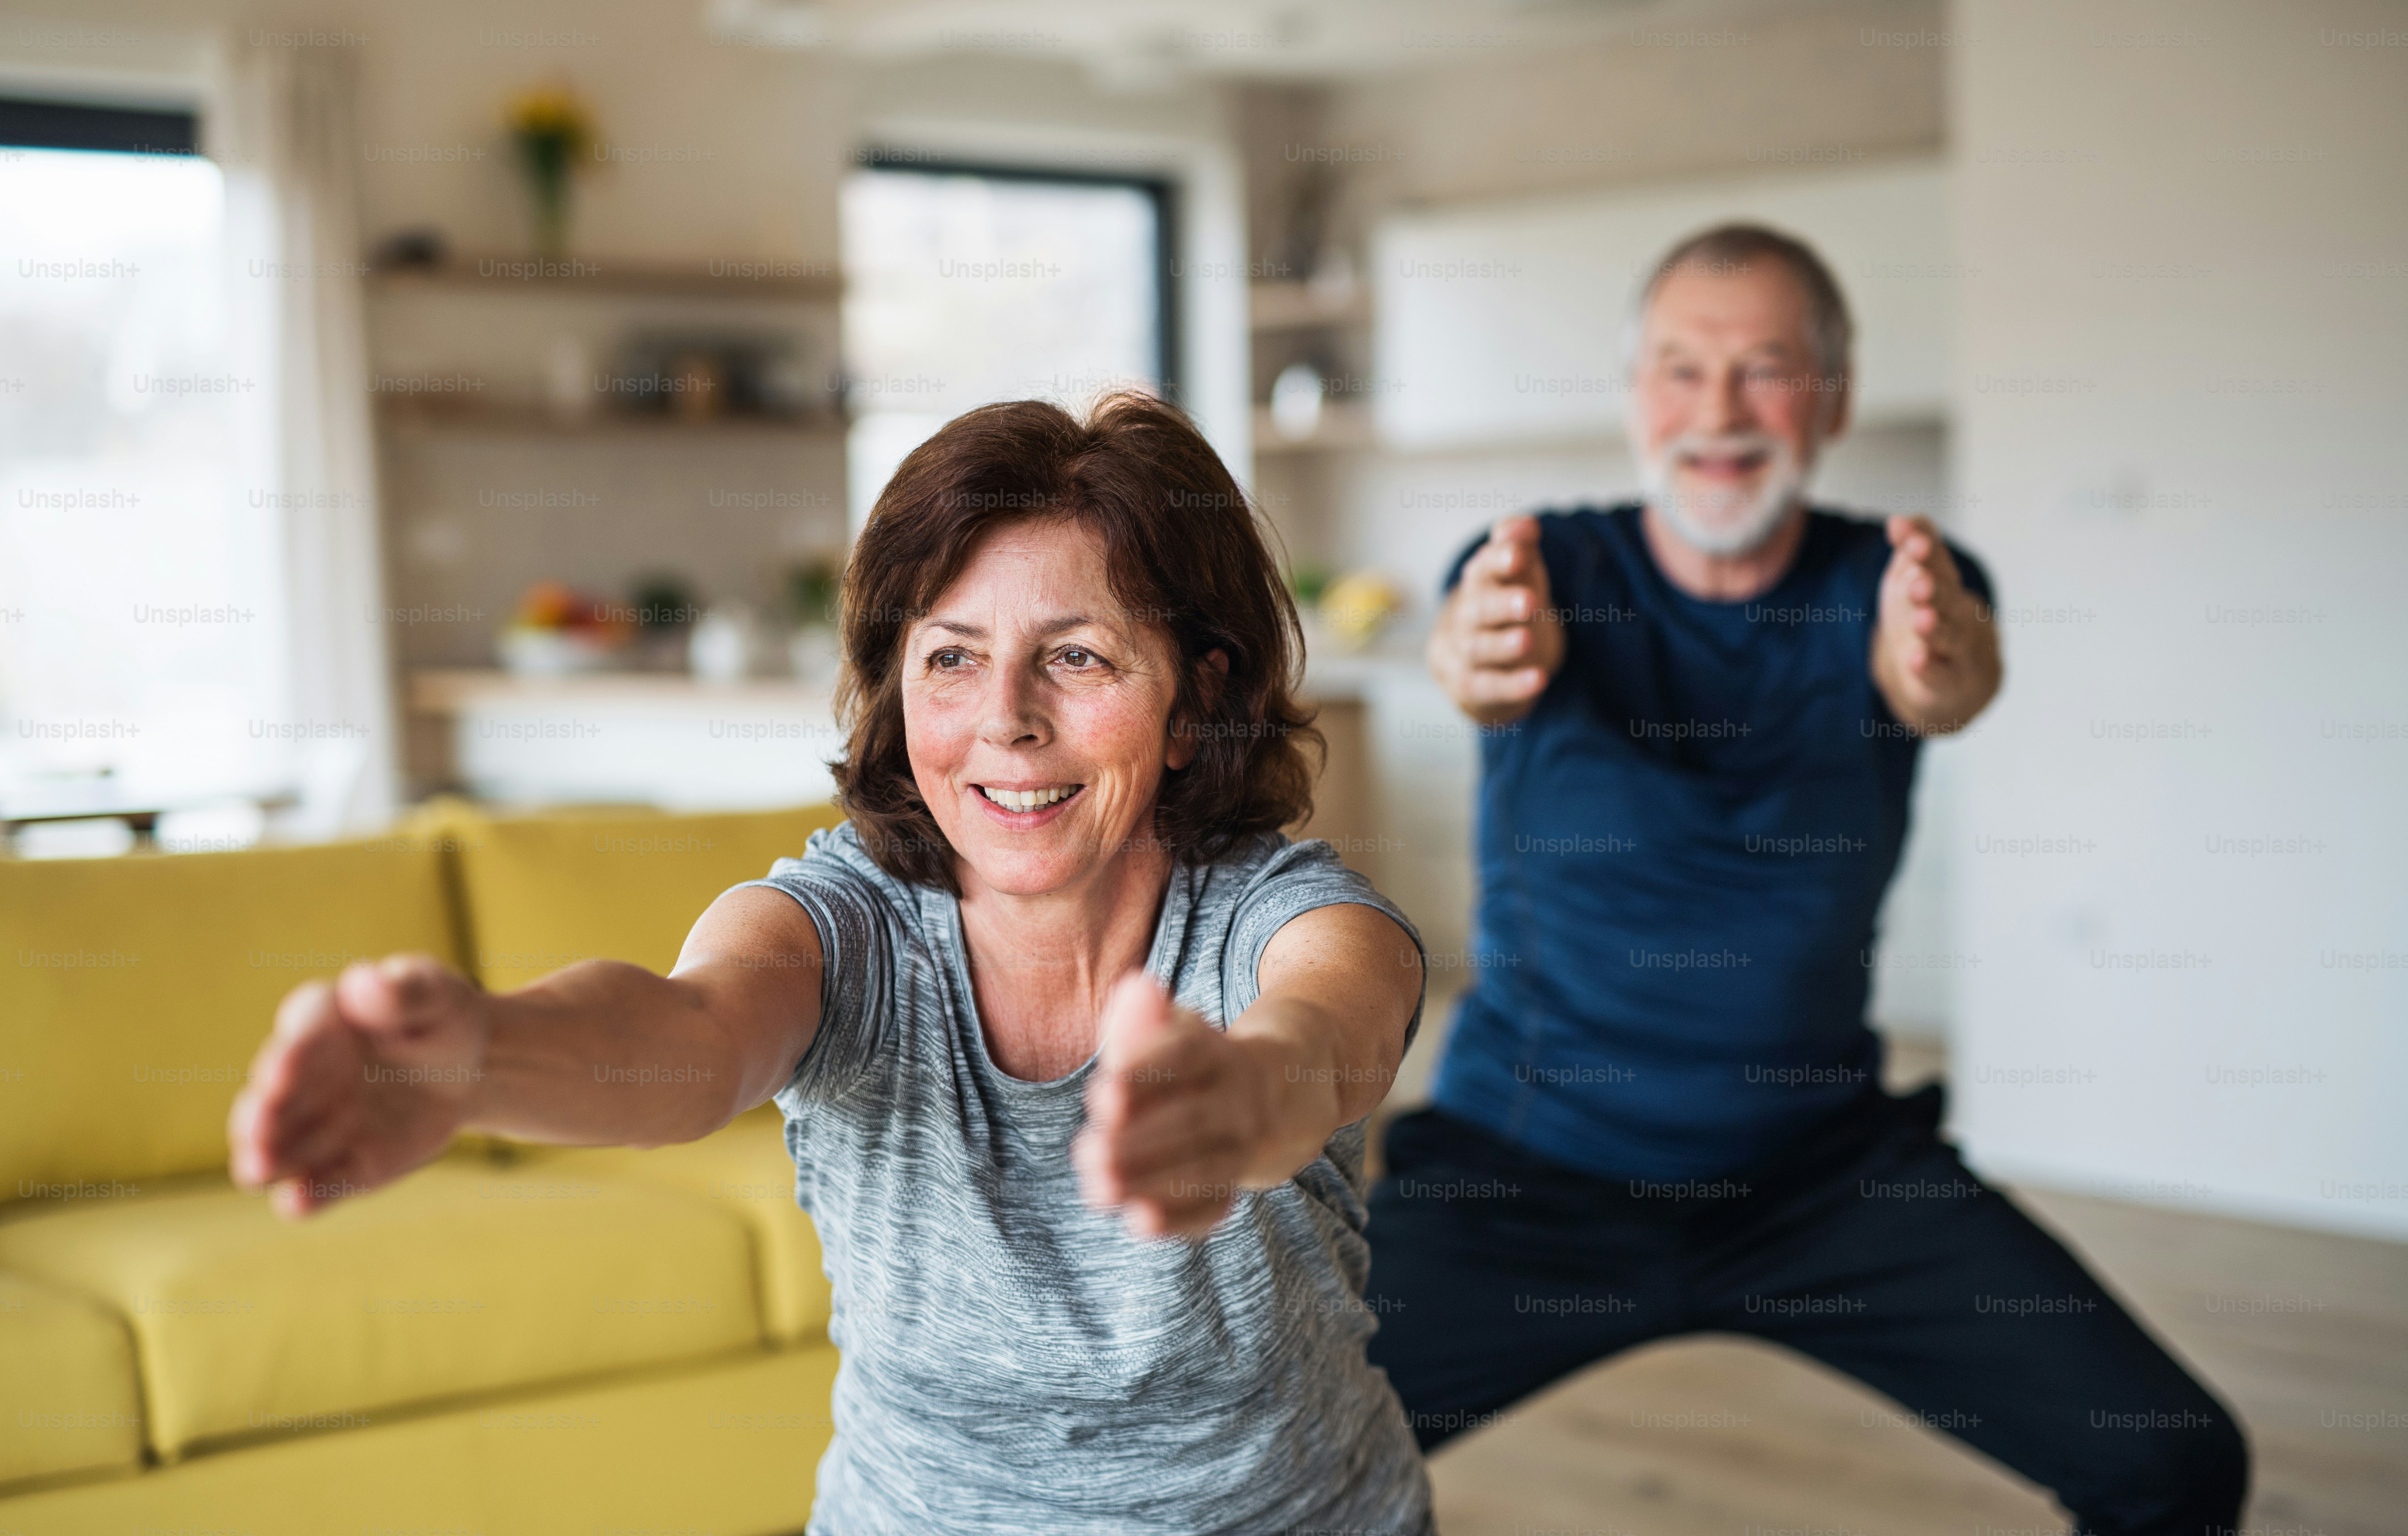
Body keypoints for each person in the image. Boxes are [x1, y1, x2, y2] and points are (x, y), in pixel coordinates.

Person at [229, 393, 1435, 1536]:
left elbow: (1327, 1037)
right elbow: (684, 1035)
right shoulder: (846, 922)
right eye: (951, 659)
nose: (1004, 719)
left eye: (1077, 658)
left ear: (1192, 702)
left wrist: (1238, 1100)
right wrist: (482, 1059)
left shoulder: (1283, 917)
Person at [1366, 224, 2248, 1534]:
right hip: (1525, 1175)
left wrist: (1941, 666)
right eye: (1679, 368)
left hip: (1825, 1182)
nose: (1718, 409)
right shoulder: (1540, 568)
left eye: (1766, 367)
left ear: (1831, 397)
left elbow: (1946, 678)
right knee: (1261, 1457)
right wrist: (1478, 658)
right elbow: (1472, 653)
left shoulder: (1895, 584)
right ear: (1633, 398)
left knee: (2174, 1458)